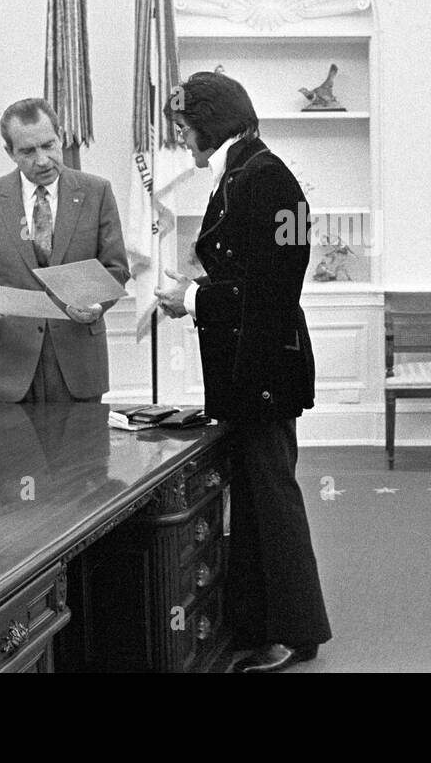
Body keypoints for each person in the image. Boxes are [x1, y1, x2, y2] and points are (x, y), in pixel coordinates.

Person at [155, 71, 332, 673]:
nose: (184, 141)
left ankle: (296, 632)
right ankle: (263, 625)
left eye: (185, 128)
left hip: (262, 367)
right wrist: (201, 291)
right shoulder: (245, 173)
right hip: (246, 366)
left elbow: (273, 293)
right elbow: (249, 273)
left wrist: (194, 299)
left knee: (271, 499)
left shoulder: (267, 178)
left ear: (209, 123)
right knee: (257, 500)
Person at [0, 97, 129, 402]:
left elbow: (116, 268)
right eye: (28, 151)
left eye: (49, 145)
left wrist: (97, 304)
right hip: (8, 367)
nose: (43, 160)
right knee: (11, 452)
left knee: (85, 452)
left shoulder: (96, 192)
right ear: (9, 152)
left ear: (60, 138)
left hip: (78, 365)